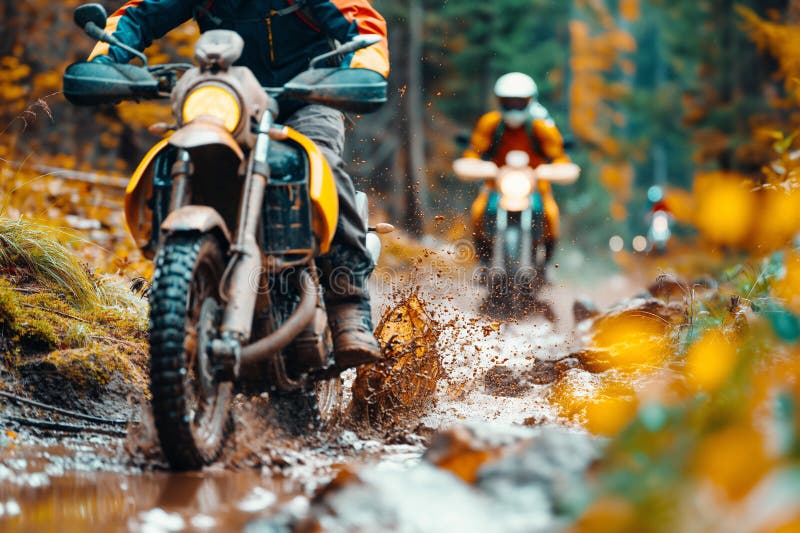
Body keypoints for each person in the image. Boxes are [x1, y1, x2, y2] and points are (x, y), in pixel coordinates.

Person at [88, 0, 389, 369]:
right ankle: (180, 284)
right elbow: (137, 16)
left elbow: (363, 25)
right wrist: (102, 65)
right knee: (182, 153)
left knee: (320, 162)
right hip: (226, 100)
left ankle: (349, 307)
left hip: (307, 100)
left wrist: (359, 73)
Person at [463, 72, 569, 267]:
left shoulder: (541, 127)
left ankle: (545, 265)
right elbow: (474, 152)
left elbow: (559, 156)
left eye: (519, 103)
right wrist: (478, 166)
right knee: (478, 211)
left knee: (551, 215)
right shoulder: (490, 124)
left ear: (530, 101)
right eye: (508, 102)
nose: (513, 107)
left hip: (536, 185)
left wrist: (553, 169)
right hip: (497, 184)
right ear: (500, 102)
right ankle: (483, 262)